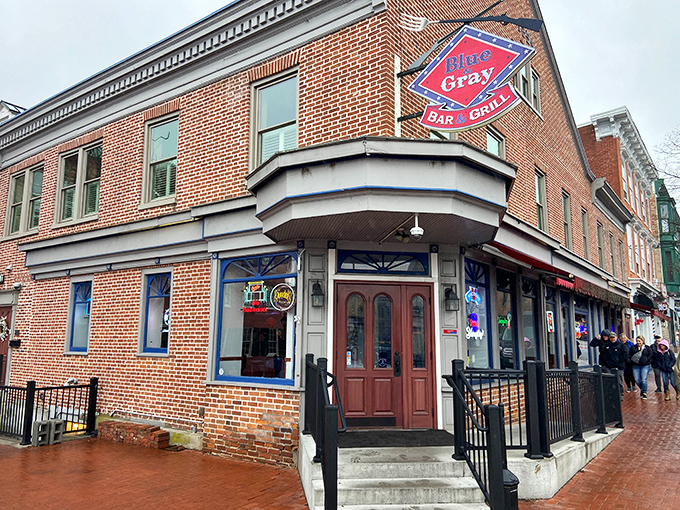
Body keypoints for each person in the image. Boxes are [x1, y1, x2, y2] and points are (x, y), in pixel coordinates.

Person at [597, 331, 628, 399]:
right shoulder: (607, 345)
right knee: (610, 381)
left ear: (616, 337)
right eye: (611, 337)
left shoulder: (621, 345)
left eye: (613, 337)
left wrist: (619, 362)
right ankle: (611, 394)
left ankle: (620, 395)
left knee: (619, 381)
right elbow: (603, 354)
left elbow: (625, 355)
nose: (612, 339)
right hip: (609, 367)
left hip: (619, 367)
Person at [629, 335, 653, 399]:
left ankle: (644, 393)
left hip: (645, 365)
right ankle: (642, 389)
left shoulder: (647, 348)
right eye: (637, 341)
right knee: (637, 379)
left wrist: (647, 361)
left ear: (643, 341)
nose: (638, 342)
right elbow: (630, 355)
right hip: (636, 365)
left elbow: (650, 355)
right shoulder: (633, 348)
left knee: (643, 379)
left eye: (639, 341)